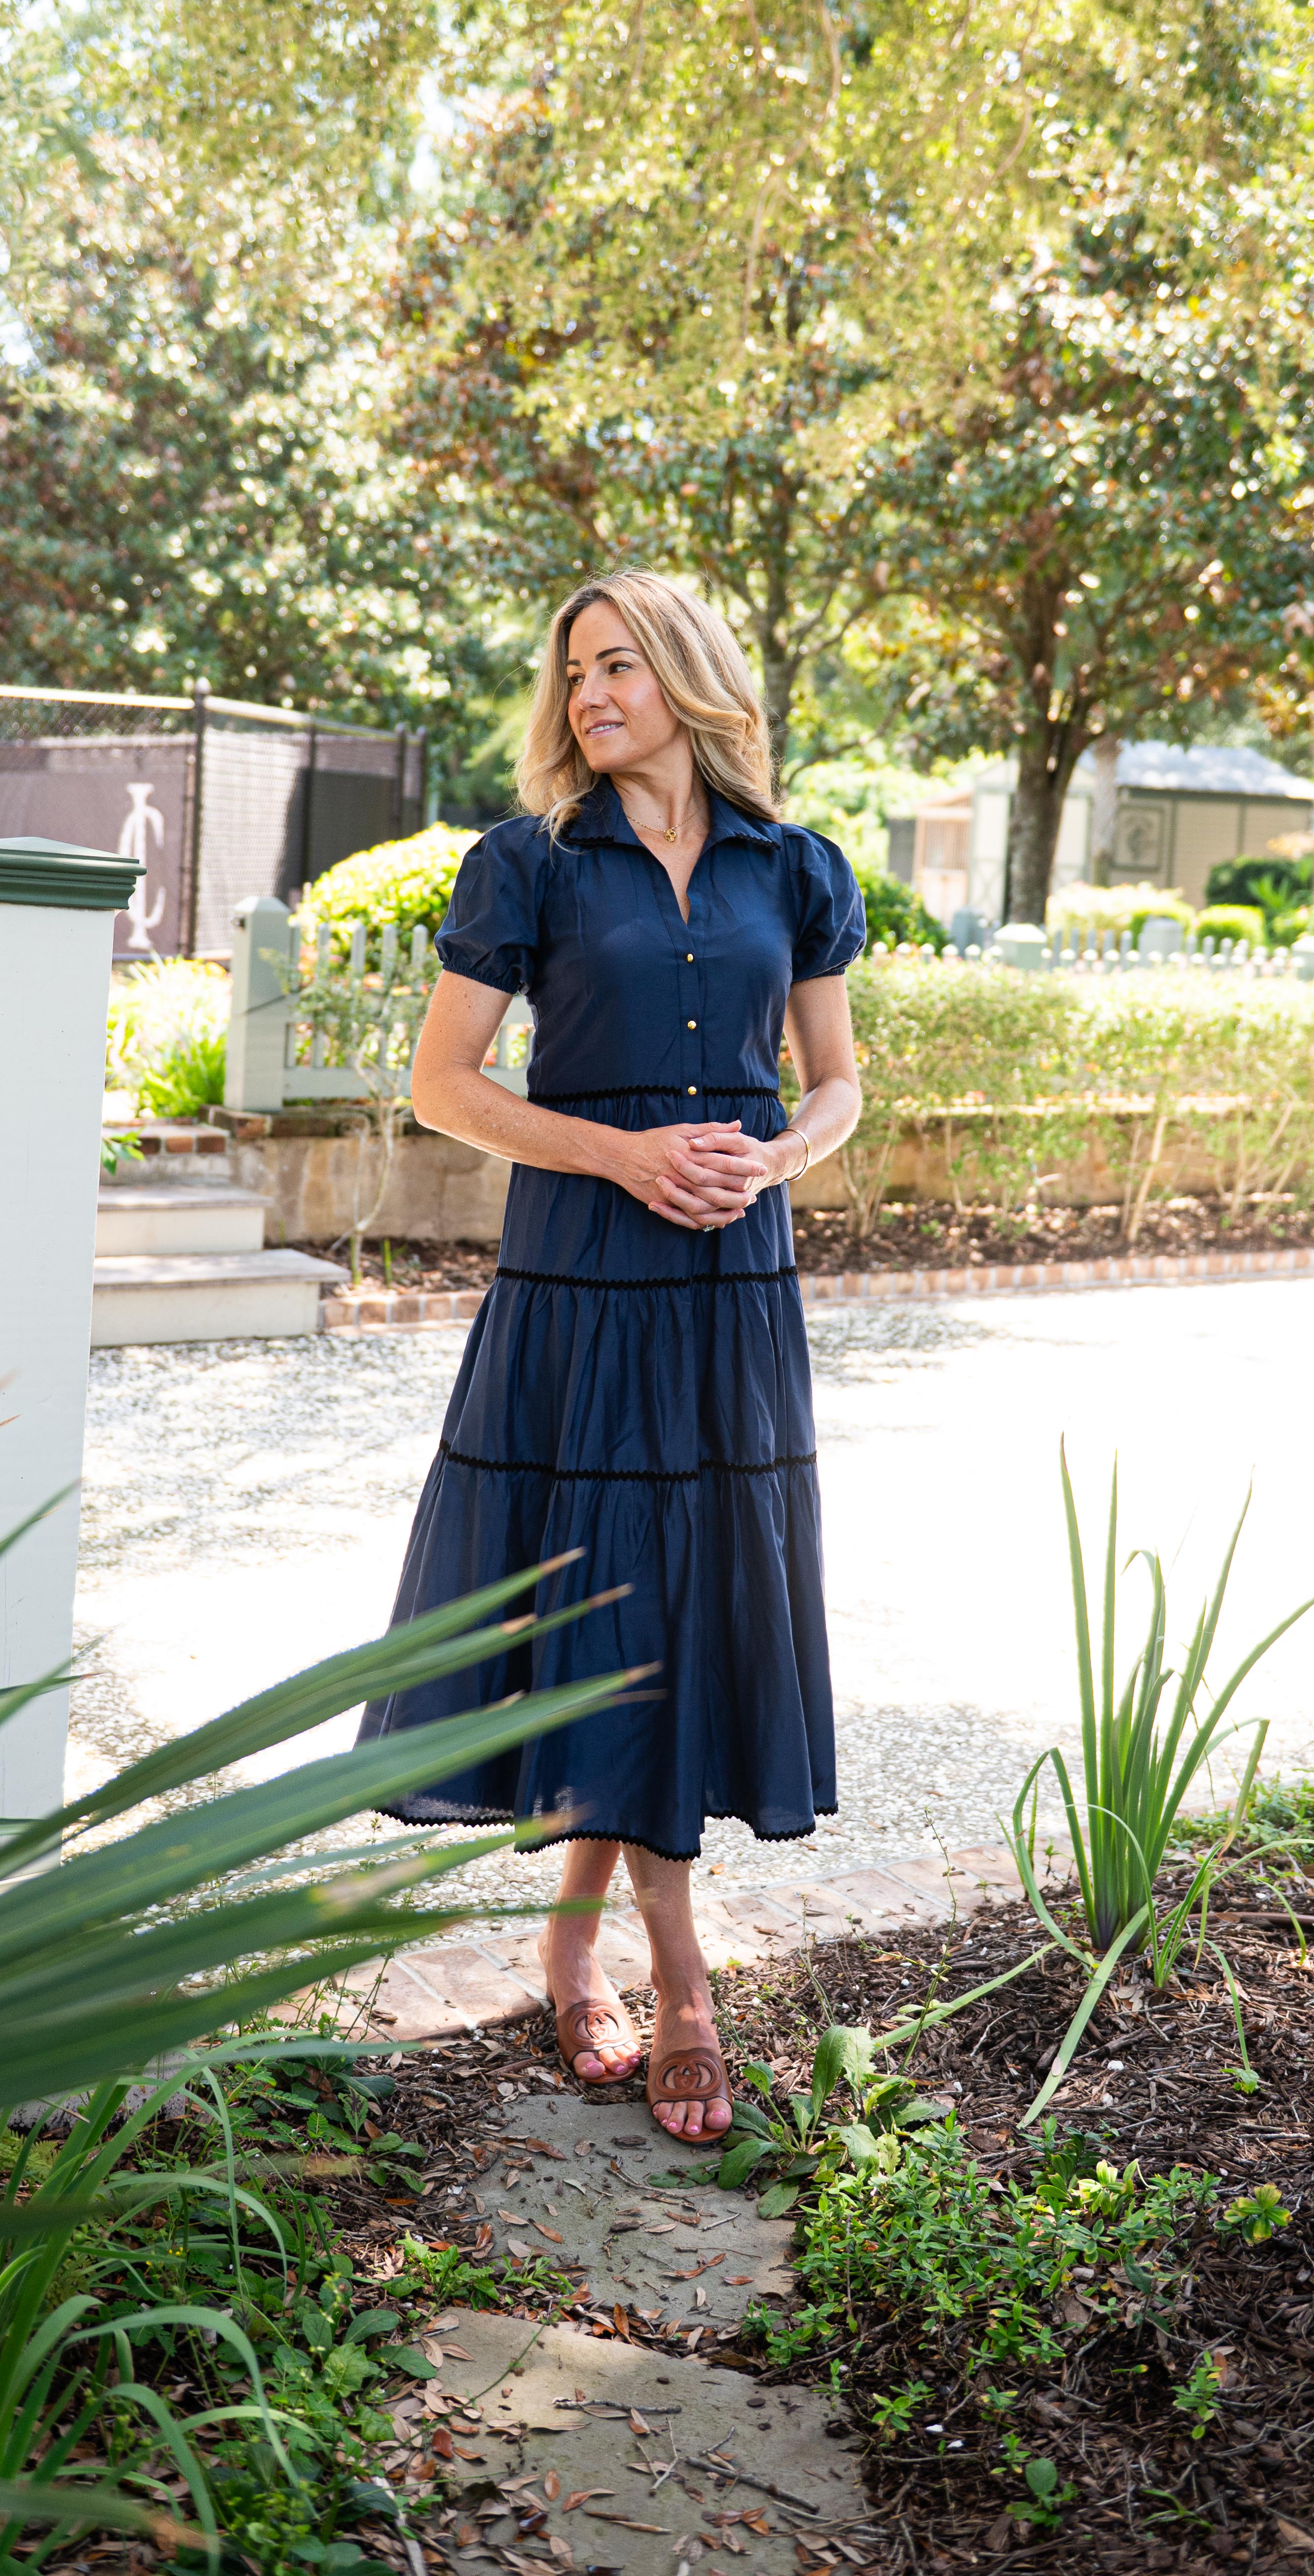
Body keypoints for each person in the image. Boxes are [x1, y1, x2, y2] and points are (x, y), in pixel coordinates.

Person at [355, 569, 864, 2140]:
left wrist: (771, 1163)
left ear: (692, 678)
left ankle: (571, 1939)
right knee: (613, 1584)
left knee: (678, 1585)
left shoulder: (798, 868)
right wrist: (625, 1156)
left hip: (733, 1282)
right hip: (583, 1277)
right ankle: (680, 1971)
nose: (588, 695)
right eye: (574, 671)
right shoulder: (529, 864)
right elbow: (446, 1086)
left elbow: (838, 1086)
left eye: (620, 664)